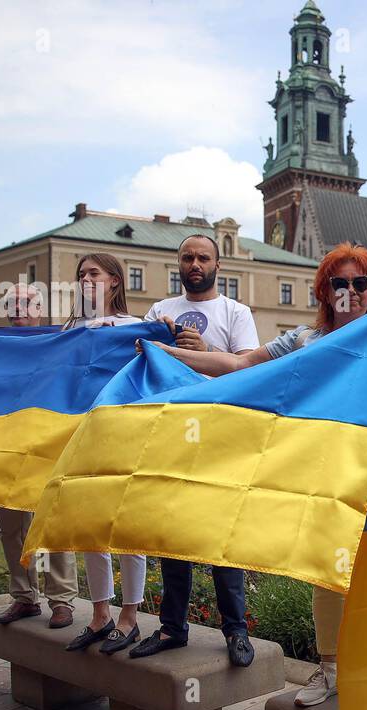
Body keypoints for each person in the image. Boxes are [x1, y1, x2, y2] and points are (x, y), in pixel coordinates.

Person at [146, 242, 367, 704]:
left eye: (361, 283)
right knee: (328, 573)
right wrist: (167, 354)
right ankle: (330, 671)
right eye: (340, 283)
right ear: (325, 290)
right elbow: (238, 364)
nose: (351, 292)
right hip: (330, 474)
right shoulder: (304, 341)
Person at [128, 234, 261, 666]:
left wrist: (206, 351)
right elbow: (139, 360)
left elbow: (247, 367)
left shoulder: (235, 312)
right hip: (170, 433)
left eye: (204, 257)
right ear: (178, 264)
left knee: (223, 537)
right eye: (188, 257)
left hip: (219, 434)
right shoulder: (159, 311)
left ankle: (236, 630)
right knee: (172, 533)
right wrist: (149, 343)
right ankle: (171, 627)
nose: (195, 263)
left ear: (218, 265)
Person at [59, 253, 150, 655]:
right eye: (80, 275)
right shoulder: (68, 329)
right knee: (90, 529)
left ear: (114, 281)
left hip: (123, 436)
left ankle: (129, 617)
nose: (85, 280)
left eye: (92, 273)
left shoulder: (135, 327)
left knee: (127, 526)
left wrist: (164, 331)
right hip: (80, 436)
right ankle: (100, 614)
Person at [0, 283, 80, 627]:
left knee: (52, 526)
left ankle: (62, 601)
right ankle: (24, 597)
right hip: (7, 448)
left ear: (40, 309)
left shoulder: (60, 342)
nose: (17, 309)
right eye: (11, 303)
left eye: (25, 303)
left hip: (48, 449)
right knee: (11, 530)